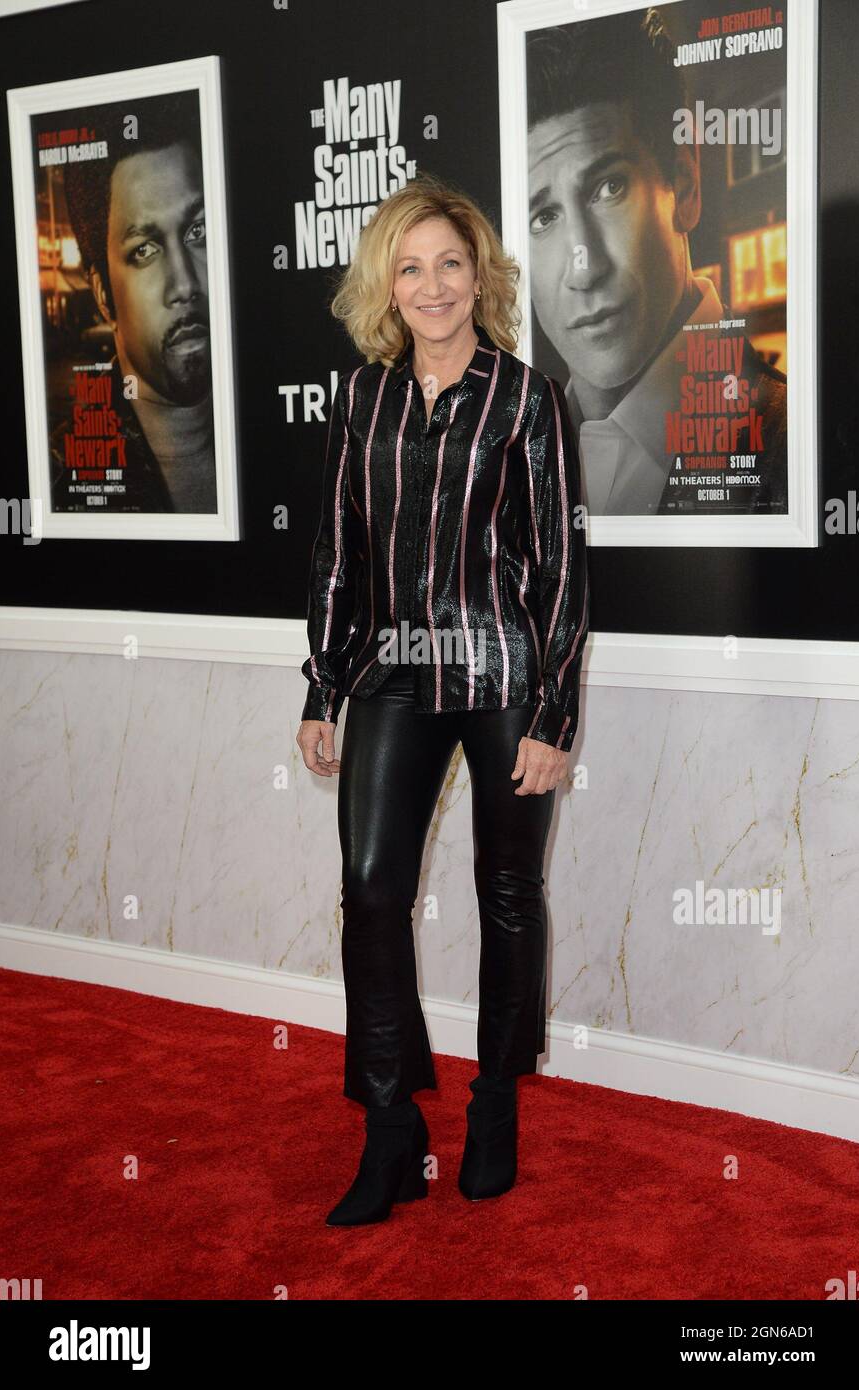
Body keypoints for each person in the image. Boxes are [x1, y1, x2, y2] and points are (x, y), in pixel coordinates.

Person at [296, 173, 589, 1226]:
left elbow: (556, 564)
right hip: (387, 672)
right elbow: (339, 549)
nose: (431, 286)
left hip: (502, 672)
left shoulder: (525, 398)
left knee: (505, 891)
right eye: (410, 268)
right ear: (388, 285)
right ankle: (388, 1125)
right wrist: (325, 682)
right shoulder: (362, 395)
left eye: (449, 264)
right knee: (370, 889)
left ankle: (495, 1100)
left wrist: (553, 714)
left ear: (479, 278)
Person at [526, 7, 787, 516]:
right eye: (543, 217)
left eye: (609, 188)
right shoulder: (515, 455)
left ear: (685, 188)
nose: (584, 268)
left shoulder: (801, 442)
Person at [51, 92, 216, 513]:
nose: (184, 285)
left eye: (197, 231)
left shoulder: (284, 425)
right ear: (104, 294)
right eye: (144, 250)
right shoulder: (62, 480)